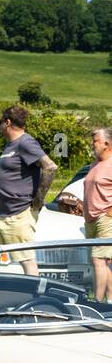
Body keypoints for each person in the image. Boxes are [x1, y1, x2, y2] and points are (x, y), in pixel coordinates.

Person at [0, 104, 58, 277]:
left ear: (8, 122)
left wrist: (38, 201)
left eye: (0, 122)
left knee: (26, 260)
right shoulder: (11, 145)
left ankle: (36, 300)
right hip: (0, 214)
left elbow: (50, 167)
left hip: (18, 214)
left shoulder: (25, 142)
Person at [83, 128, 112, 303]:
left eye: (95, 141)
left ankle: (97, 302)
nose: (92, 144)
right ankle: (110, 301)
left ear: (106, 144)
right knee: (103, 263)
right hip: (90, 219)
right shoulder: (95, 163)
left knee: (98, 260)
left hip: (105, 218)